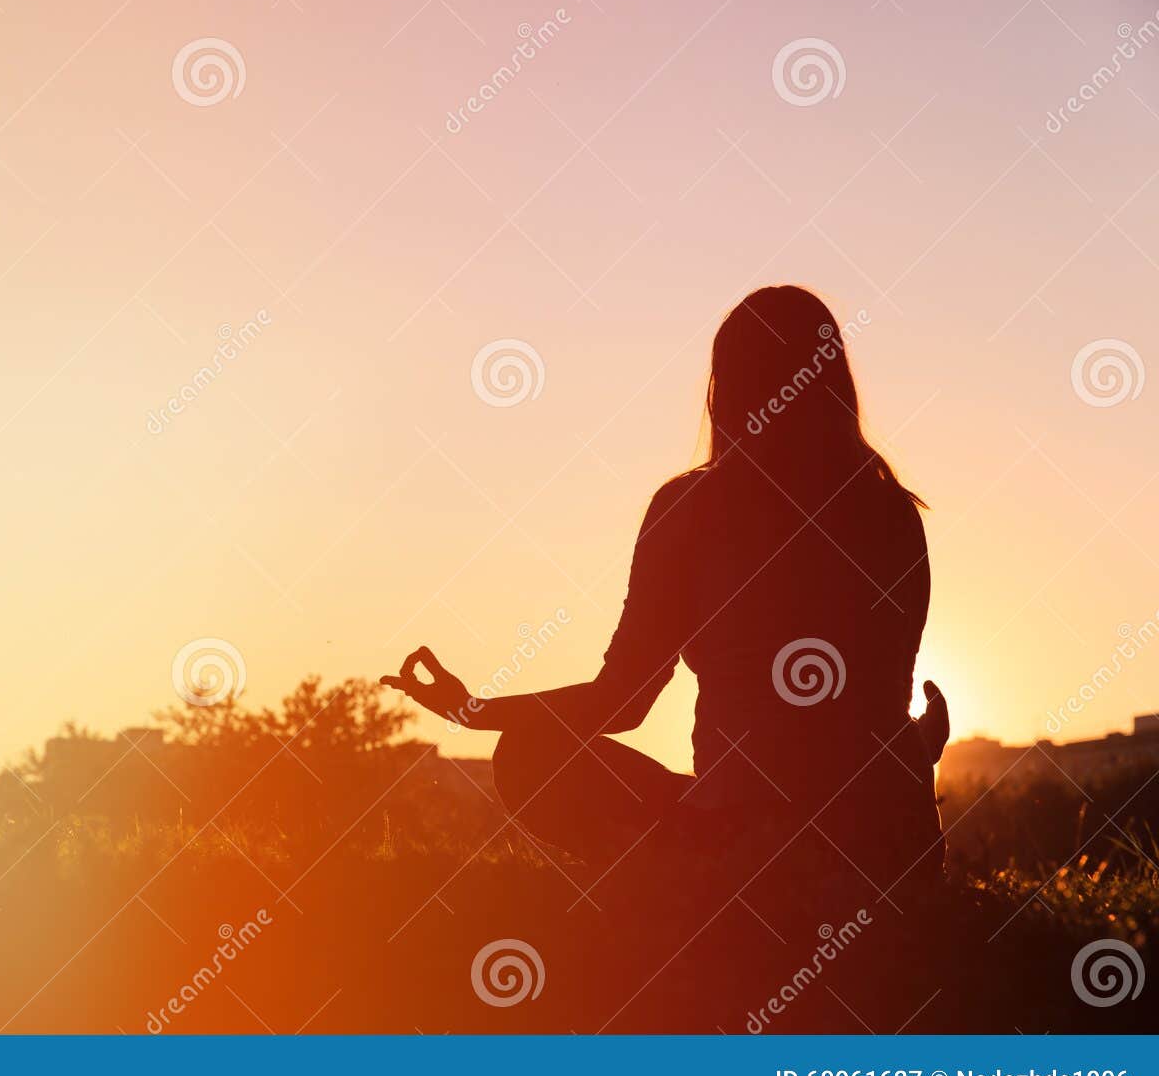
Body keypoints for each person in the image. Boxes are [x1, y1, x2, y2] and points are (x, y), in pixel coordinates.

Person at [382, 286, 948, 894]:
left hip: (749, 839)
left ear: (725, 389)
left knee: (529, 756)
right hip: (895, 852)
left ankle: (683, 882)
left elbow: (623, 702)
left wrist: (477, 711)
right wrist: (915, 744)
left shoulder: (690, 509)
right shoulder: (894, 514)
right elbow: (862, 708)